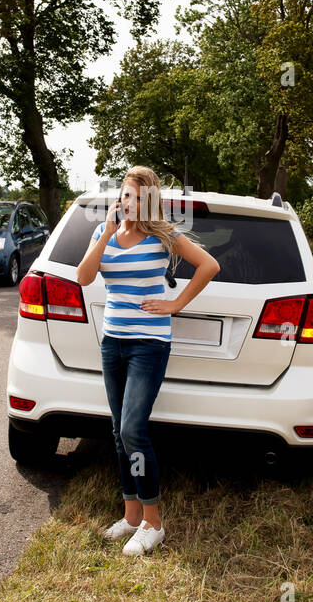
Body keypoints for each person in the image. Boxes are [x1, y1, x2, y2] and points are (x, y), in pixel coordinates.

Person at [75, 166, 221, 555]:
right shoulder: (103, 233)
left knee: (133, 430)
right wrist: (105, 232)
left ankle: (154, 522)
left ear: (152, 201)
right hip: (113, 343)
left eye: (138, 197)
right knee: (117, 433)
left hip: (149, 344)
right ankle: (131, 516)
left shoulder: (162, 236)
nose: (129, 203)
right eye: (125, 195)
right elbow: (83, 277)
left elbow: (209, 266)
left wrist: (175, 304)